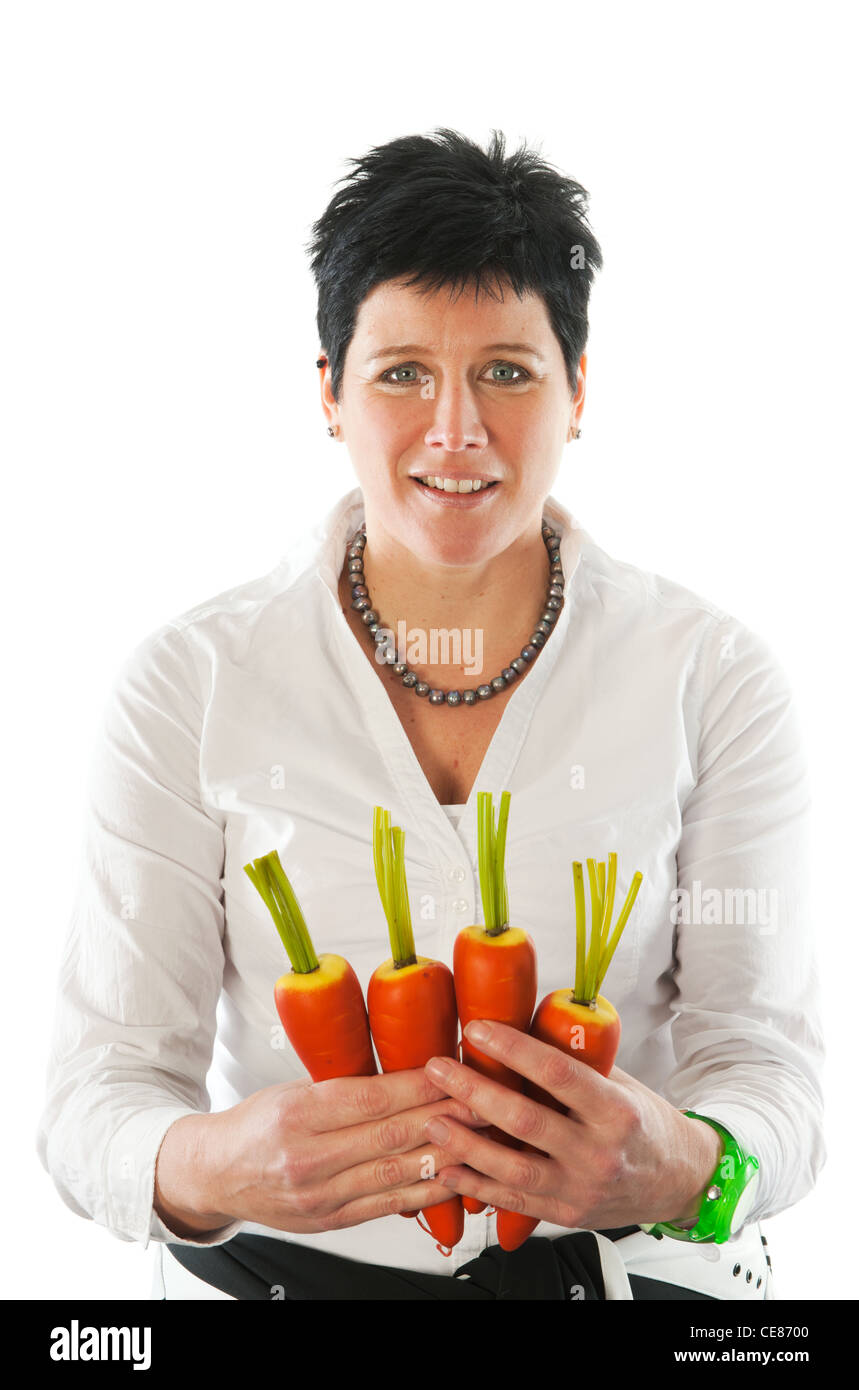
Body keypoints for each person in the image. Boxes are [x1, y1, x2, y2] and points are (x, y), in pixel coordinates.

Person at [36, 128, 824, 1301]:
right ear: (328, 391)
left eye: (506, 369)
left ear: (579, 390)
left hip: (634, 1285)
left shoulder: (709, 673)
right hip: (278, 1282)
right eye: (402, 371)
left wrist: (691, 1168)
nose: (455, 428)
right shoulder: (186, 681)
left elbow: (769, 1068)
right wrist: (215, 1163)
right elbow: (95, 1096)